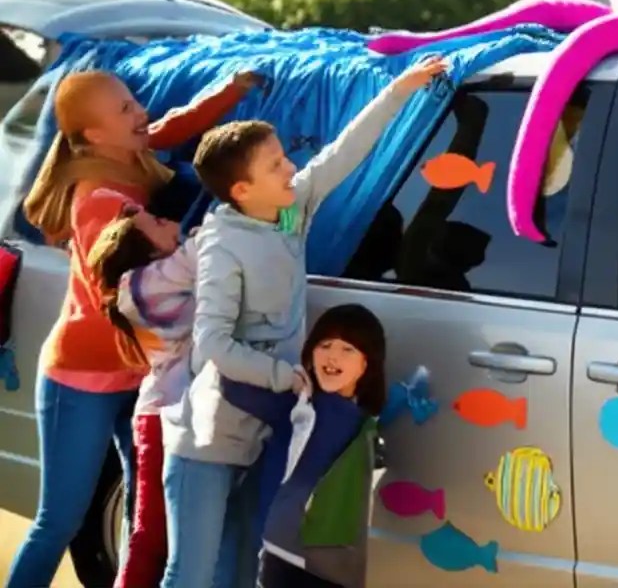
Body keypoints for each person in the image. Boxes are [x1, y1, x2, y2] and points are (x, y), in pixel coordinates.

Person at [159, 57, 448, 588]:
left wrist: (401, 90)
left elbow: (346, 151)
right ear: (242, 191)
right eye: (275, 165)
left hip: (269, 430)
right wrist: (286, 378)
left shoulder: (290, 211)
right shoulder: (222, 245)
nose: (290, 167)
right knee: (192, 574)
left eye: (283, 156)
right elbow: (212, 344)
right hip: (210, 436)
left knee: (246, 562)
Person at [6, 69, 259, 588]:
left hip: (137, 375)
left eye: (133, 101)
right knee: (61, 519)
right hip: (81, 380)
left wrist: (231, 90)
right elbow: (121, 293)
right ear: (94, 135)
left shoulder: (132, 156)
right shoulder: (98, 200)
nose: (139, 112)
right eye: (124, 110)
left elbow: (171, 125)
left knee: (140, 515)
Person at [220, 304, 388, 588]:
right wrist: (288, 378)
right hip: (287, 554)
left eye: (348, 349)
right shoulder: (297, 405)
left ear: (366, 364)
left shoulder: (363, 425)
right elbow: (231, 386)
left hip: (320, 560)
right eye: (325, 345)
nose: (333, 355)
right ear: (310, 351)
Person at [84, 201, 197, 588]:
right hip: (164, 417)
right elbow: (211, 242)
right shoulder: (145, 284)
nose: (172, 219)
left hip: (168, 414)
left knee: (157, 536)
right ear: (148, 251)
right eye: (159, 221)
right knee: (152, 537)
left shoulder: (156, 278)